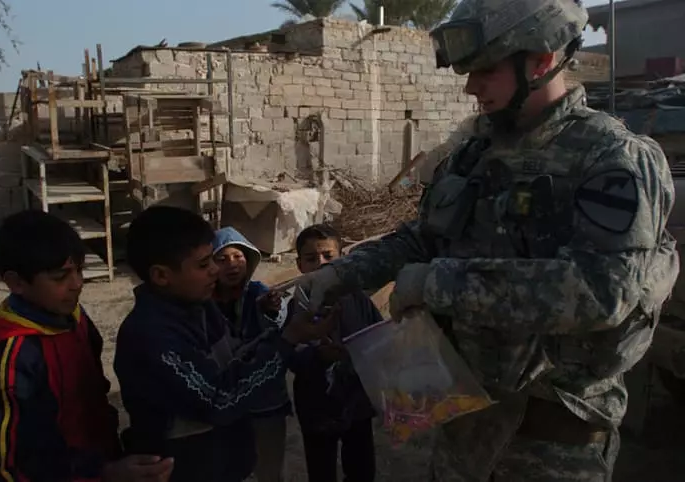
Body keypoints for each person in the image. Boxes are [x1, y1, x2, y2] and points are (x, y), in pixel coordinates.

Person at [290, 0, 680, 480]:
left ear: (540, 61)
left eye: (486, 70)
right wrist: (340, 274)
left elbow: (603, 291)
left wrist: (436, 285)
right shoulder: (475, 152)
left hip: (549, 444)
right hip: (461, 424)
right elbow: (423, 238)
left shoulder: (612, 159)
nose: (470, 85)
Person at [113, 206, 331, 482]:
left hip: (224, 463)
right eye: (204, 264)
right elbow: (220, 400)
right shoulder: (152, 335)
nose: (216, 270)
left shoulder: (200, 308)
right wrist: (288, 340)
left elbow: (239, 355)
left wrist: (298, 339)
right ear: (161, 276)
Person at [0, 209, 173, 482]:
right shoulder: (12, 357)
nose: (77, 284)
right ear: (16, 282)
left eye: (79, 270)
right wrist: (106, 473)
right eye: (60, 277)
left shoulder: (74, 317)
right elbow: (19, 463)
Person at [289, 224, 379, 482]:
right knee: (321, 470)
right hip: (316, 403)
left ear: (343, 259)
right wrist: (318, 357)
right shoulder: (298, 306)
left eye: (329, 256)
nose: (321, 263)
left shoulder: (358, 299)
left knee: (361, 469)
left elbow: (376, 335)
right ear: (299, 265)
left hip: (357, 400)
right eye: (311, 258)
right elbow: (291, 354)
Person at [212, 226, 291, 482]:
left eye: (238, 257)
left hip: (267, 400)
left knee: (269, 469)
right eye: (221, 259)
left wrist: (270, 310)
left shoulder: (259, 293)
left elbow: (279, 325)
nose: (232, 265)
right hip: (229, 401)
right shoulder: (205, 303)